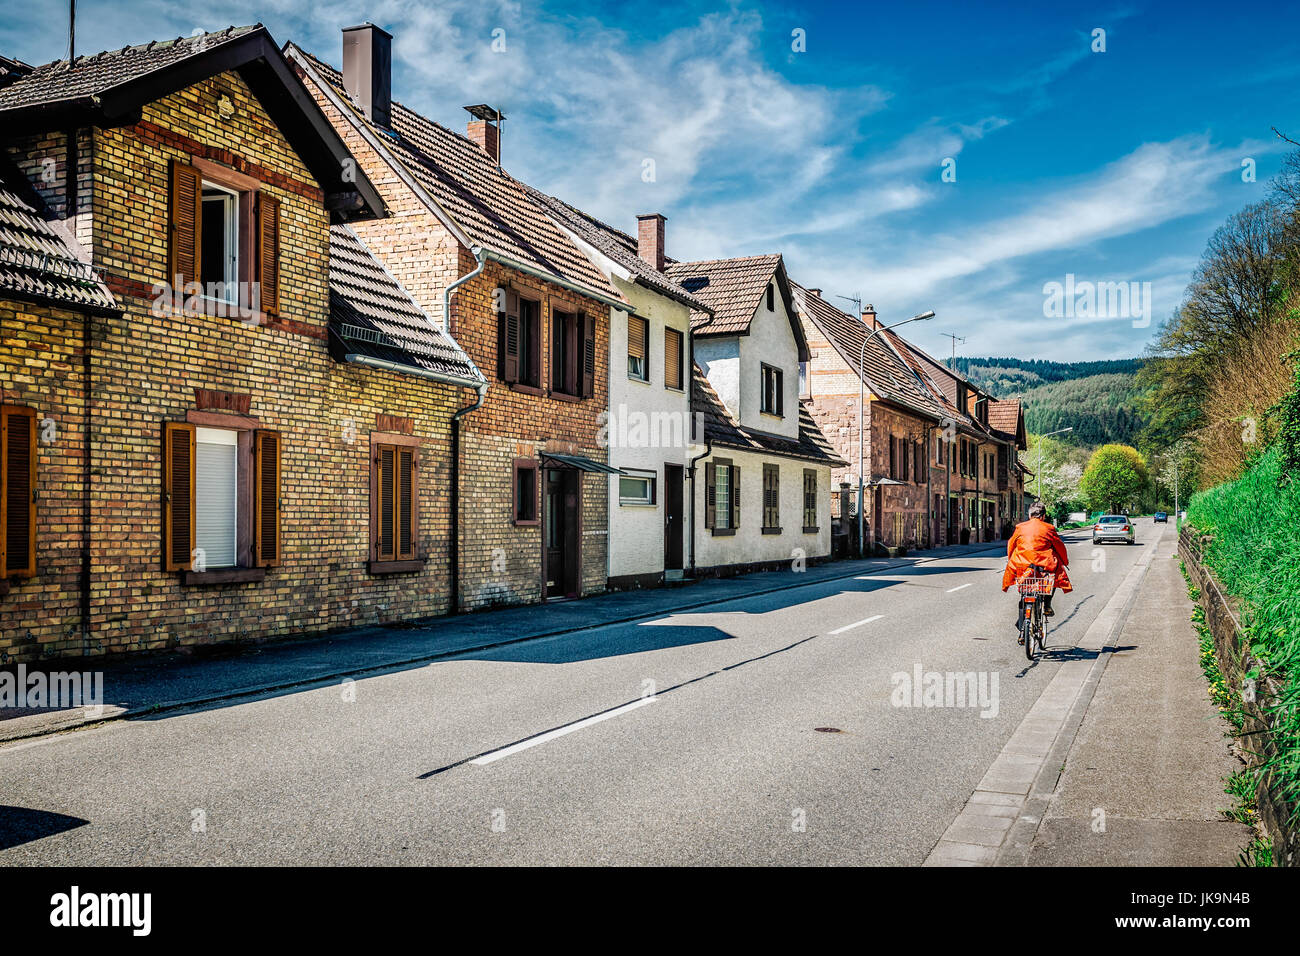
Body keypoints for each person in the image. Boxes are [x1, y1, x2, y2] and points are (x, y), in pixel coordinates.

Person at [1001, 501, 1072, 630]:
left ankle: (1023, 632)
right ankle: (1047, 604)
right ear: (1043, 516)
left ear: (1029, 515)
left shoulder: (1020, 527)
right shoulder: (1048, 528)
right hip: (1044, 565)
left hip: (1023, 566)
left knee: (1025, 593)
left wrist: (1011, 559)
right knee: (1054, 577)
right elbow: (1059, 546)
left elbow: (1011, 545)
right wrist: (1064, 561)